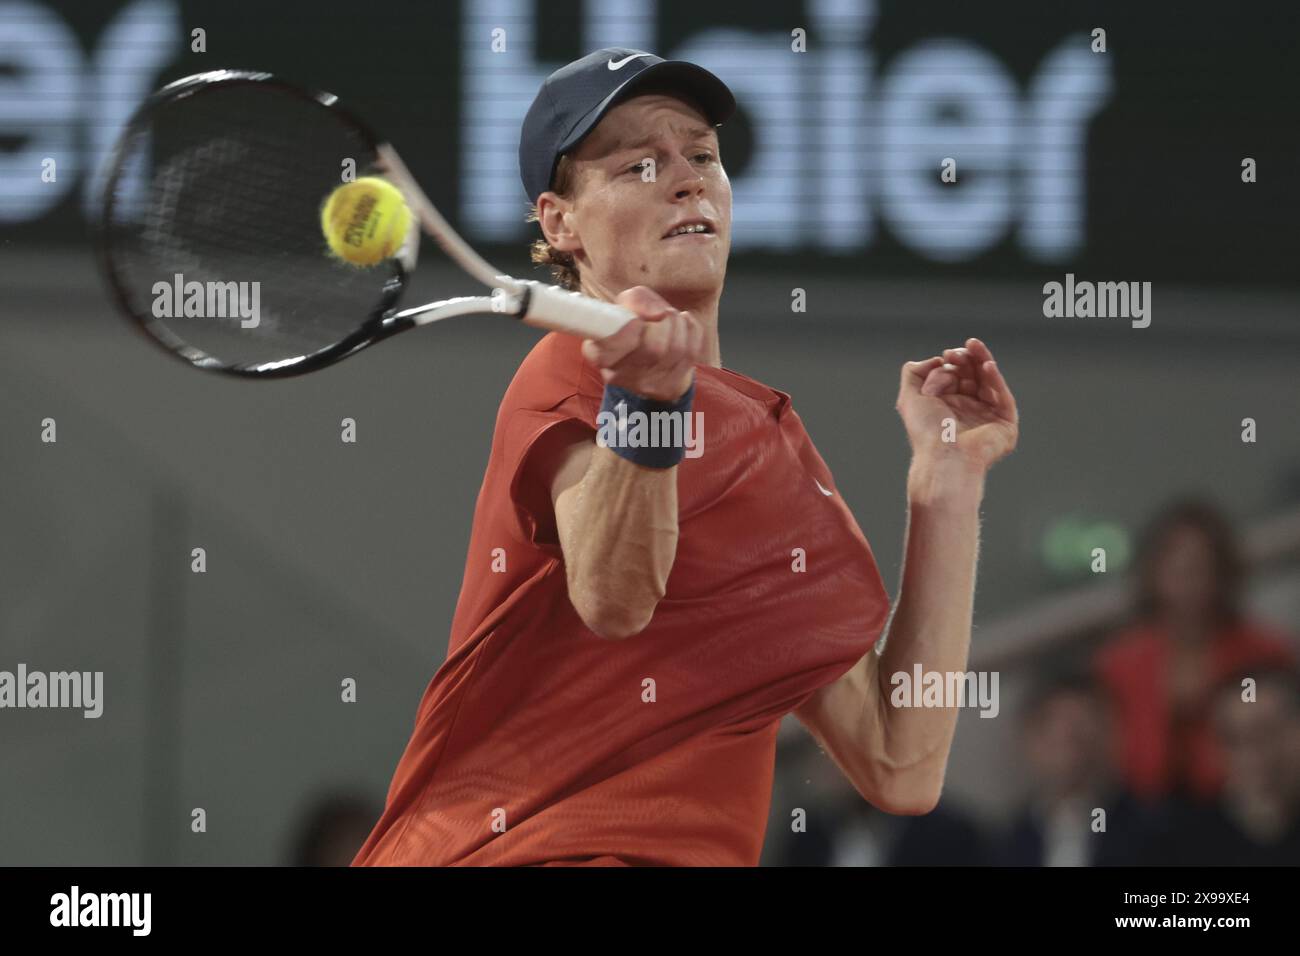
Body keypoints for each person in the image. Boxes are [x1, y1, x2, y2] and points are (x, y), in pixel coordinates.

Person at [353, 48, 1019, 867]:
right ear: (560, 223)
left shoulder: (768, 446)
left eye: (701, 155)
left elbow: (898, 760)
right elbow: (615, 595)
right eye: (638, 163)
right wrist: (648, 402)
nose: (685, 178)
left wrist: (945, 485)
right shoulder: (567, 370)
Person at [1095, 500, 1295, 802]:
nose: (1189, 584)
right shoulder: (1119, 664)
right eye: (1177, 570)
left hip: (1248, 811)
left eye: (1200, 568)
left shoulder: (1265, 652)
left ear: (1223, 574)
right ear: (1153, 575)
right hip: (1148, 820)